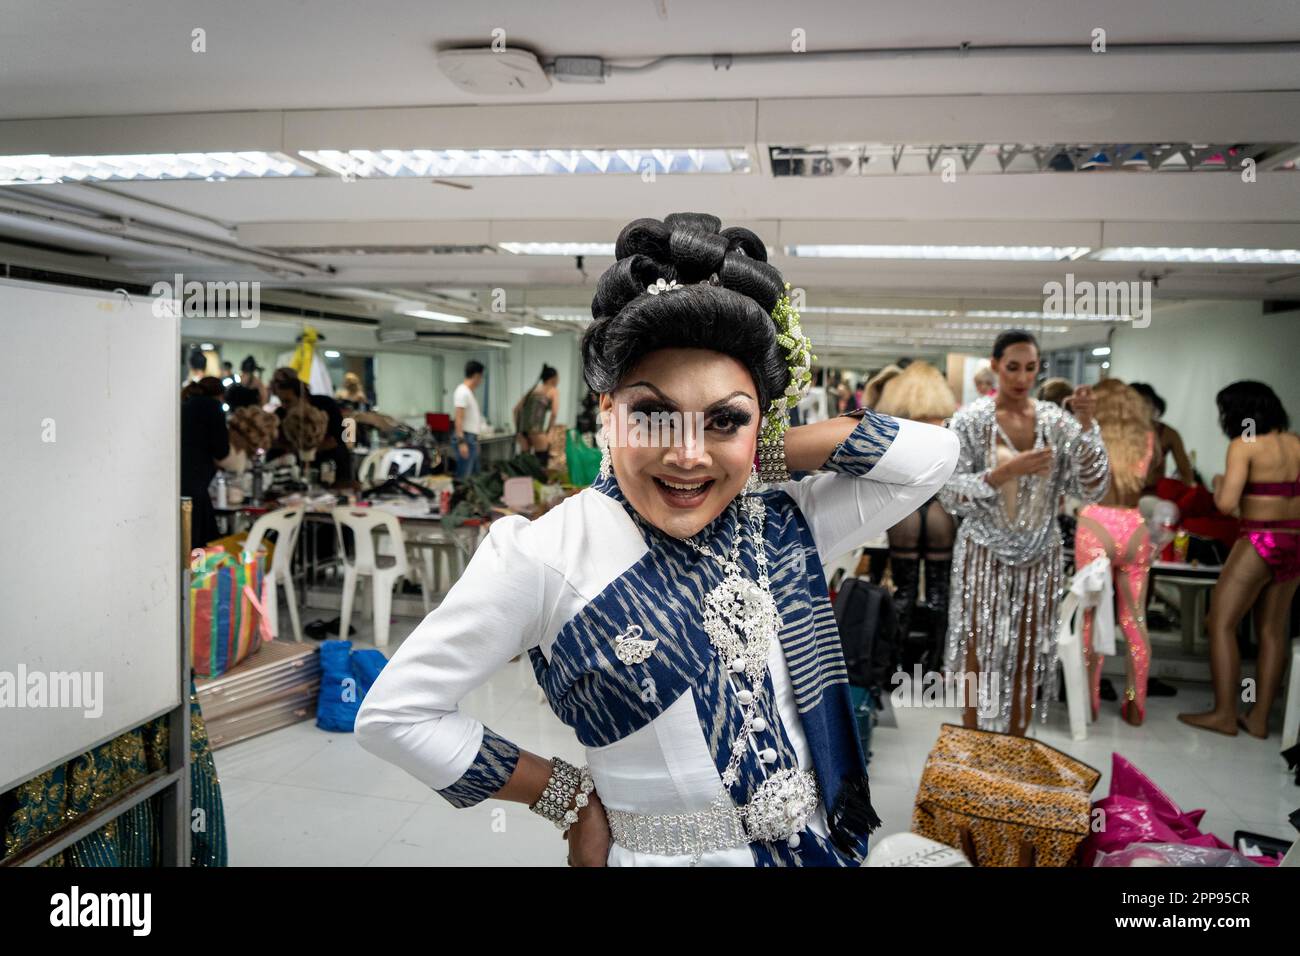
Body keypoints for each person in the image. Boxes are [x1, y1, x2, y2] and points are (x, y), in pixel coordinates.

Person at [355, 212, 959, 867]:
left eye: (725, 418)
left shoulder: (782, 520)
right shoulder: (543, 555)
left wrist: (758, 457)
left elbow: (934, 455)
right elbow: (395, 715)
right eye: (653, 414)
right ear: (606, 410)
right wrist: (564, 795)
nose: (689, 456)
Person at [940, 330, 1110, 735]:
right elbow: (949, 492)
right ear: (995, 365)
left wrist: (1087, 427)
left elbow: (1091, 486)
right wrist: (1003, 474)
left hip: (1040, 552)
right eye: (1012, 367)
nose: (1021, 377)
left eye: (1030, 368)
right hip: (982, 548)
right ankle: (971, 739)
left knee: (1028, 647)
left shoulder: (1056, 422)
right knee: (975, 645)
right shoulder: (971, 420)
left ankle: (1016, 741)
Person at [1179, 381, 1300, 738]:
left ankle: (1225, 713)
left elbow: (1226, 504)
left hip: (1260, 538)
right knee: (1272, 630)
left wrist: (1220, 482)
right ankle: (1259, 718)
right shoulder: (1296, 443)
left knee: (1220, 622)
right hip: (1296, 539)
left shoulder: (1244, 444)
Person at [1073, 379, 1158, 726]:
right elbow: (1148, 479)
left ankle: (1089, 703)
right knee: (1135, 620)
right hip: (1134, 525)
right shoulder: (1147, 438)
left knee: (1090, 620)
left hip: (1095, 524)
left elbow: (1078, 478)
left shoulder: (1090, 433)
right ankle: (1136, 705)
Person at [875, 361, 959, 671]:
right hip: (938, 508)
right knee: (939, 591)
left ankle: (892, 666)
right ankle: (932, 665)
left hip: (905, 507)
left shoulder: (897, 421)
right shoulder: (944, 424)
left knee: (903, 589)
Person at [181, 376, 239, 546]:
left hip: (179, 481)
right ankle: (199, 571)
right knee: (200, 540)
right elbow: (222, 452)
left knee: (186, 538)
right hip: (197, 483)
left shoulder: (184, 405)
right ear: (220, 395)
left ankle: (187, 571)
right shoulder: (213, 407)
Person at [270, 367, 352, 486]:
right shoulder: (281, 414)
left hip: (333, 469)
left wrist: (304, 449)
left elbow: (337, 439)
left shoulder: (325, 405)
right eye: (281, 401)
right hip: (298, 476)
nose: (284, 406)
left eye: (287, 401)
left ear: (303, 397)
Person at [1130, 382, 1196, 488]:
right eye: (1135, 403)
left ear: (1154, 406)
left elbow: (1186, 474)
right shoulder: (1117, 432)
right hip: (1122, 494)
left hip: (1153, 493)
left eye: (1146, 403)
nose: (1140, 408)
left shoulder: (1168, 434)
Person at [514, 364, 560, 468]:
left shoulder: (533, 390)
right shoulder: (553, 390)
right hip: (537, 432)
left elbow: (516, 410)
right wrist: (549, 432)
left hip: (523, 432)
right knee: (541, 465)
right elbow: (554, 413)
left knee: (525, 466)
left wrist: (518, 432)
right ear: (553, 378)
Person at [453, 360, 485, 479]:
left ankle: (471, 496)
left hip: (471, 438)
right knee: (464, 477)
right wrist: (462, 443)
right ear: (476, 376)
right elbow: (458, 418)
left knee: (474, 475)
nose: (481, 381)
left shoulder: (468, 393)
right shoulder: (462, 392)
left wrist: (475, 442)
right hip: (465, 438)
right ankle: (460, 496)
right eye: (481, 377)